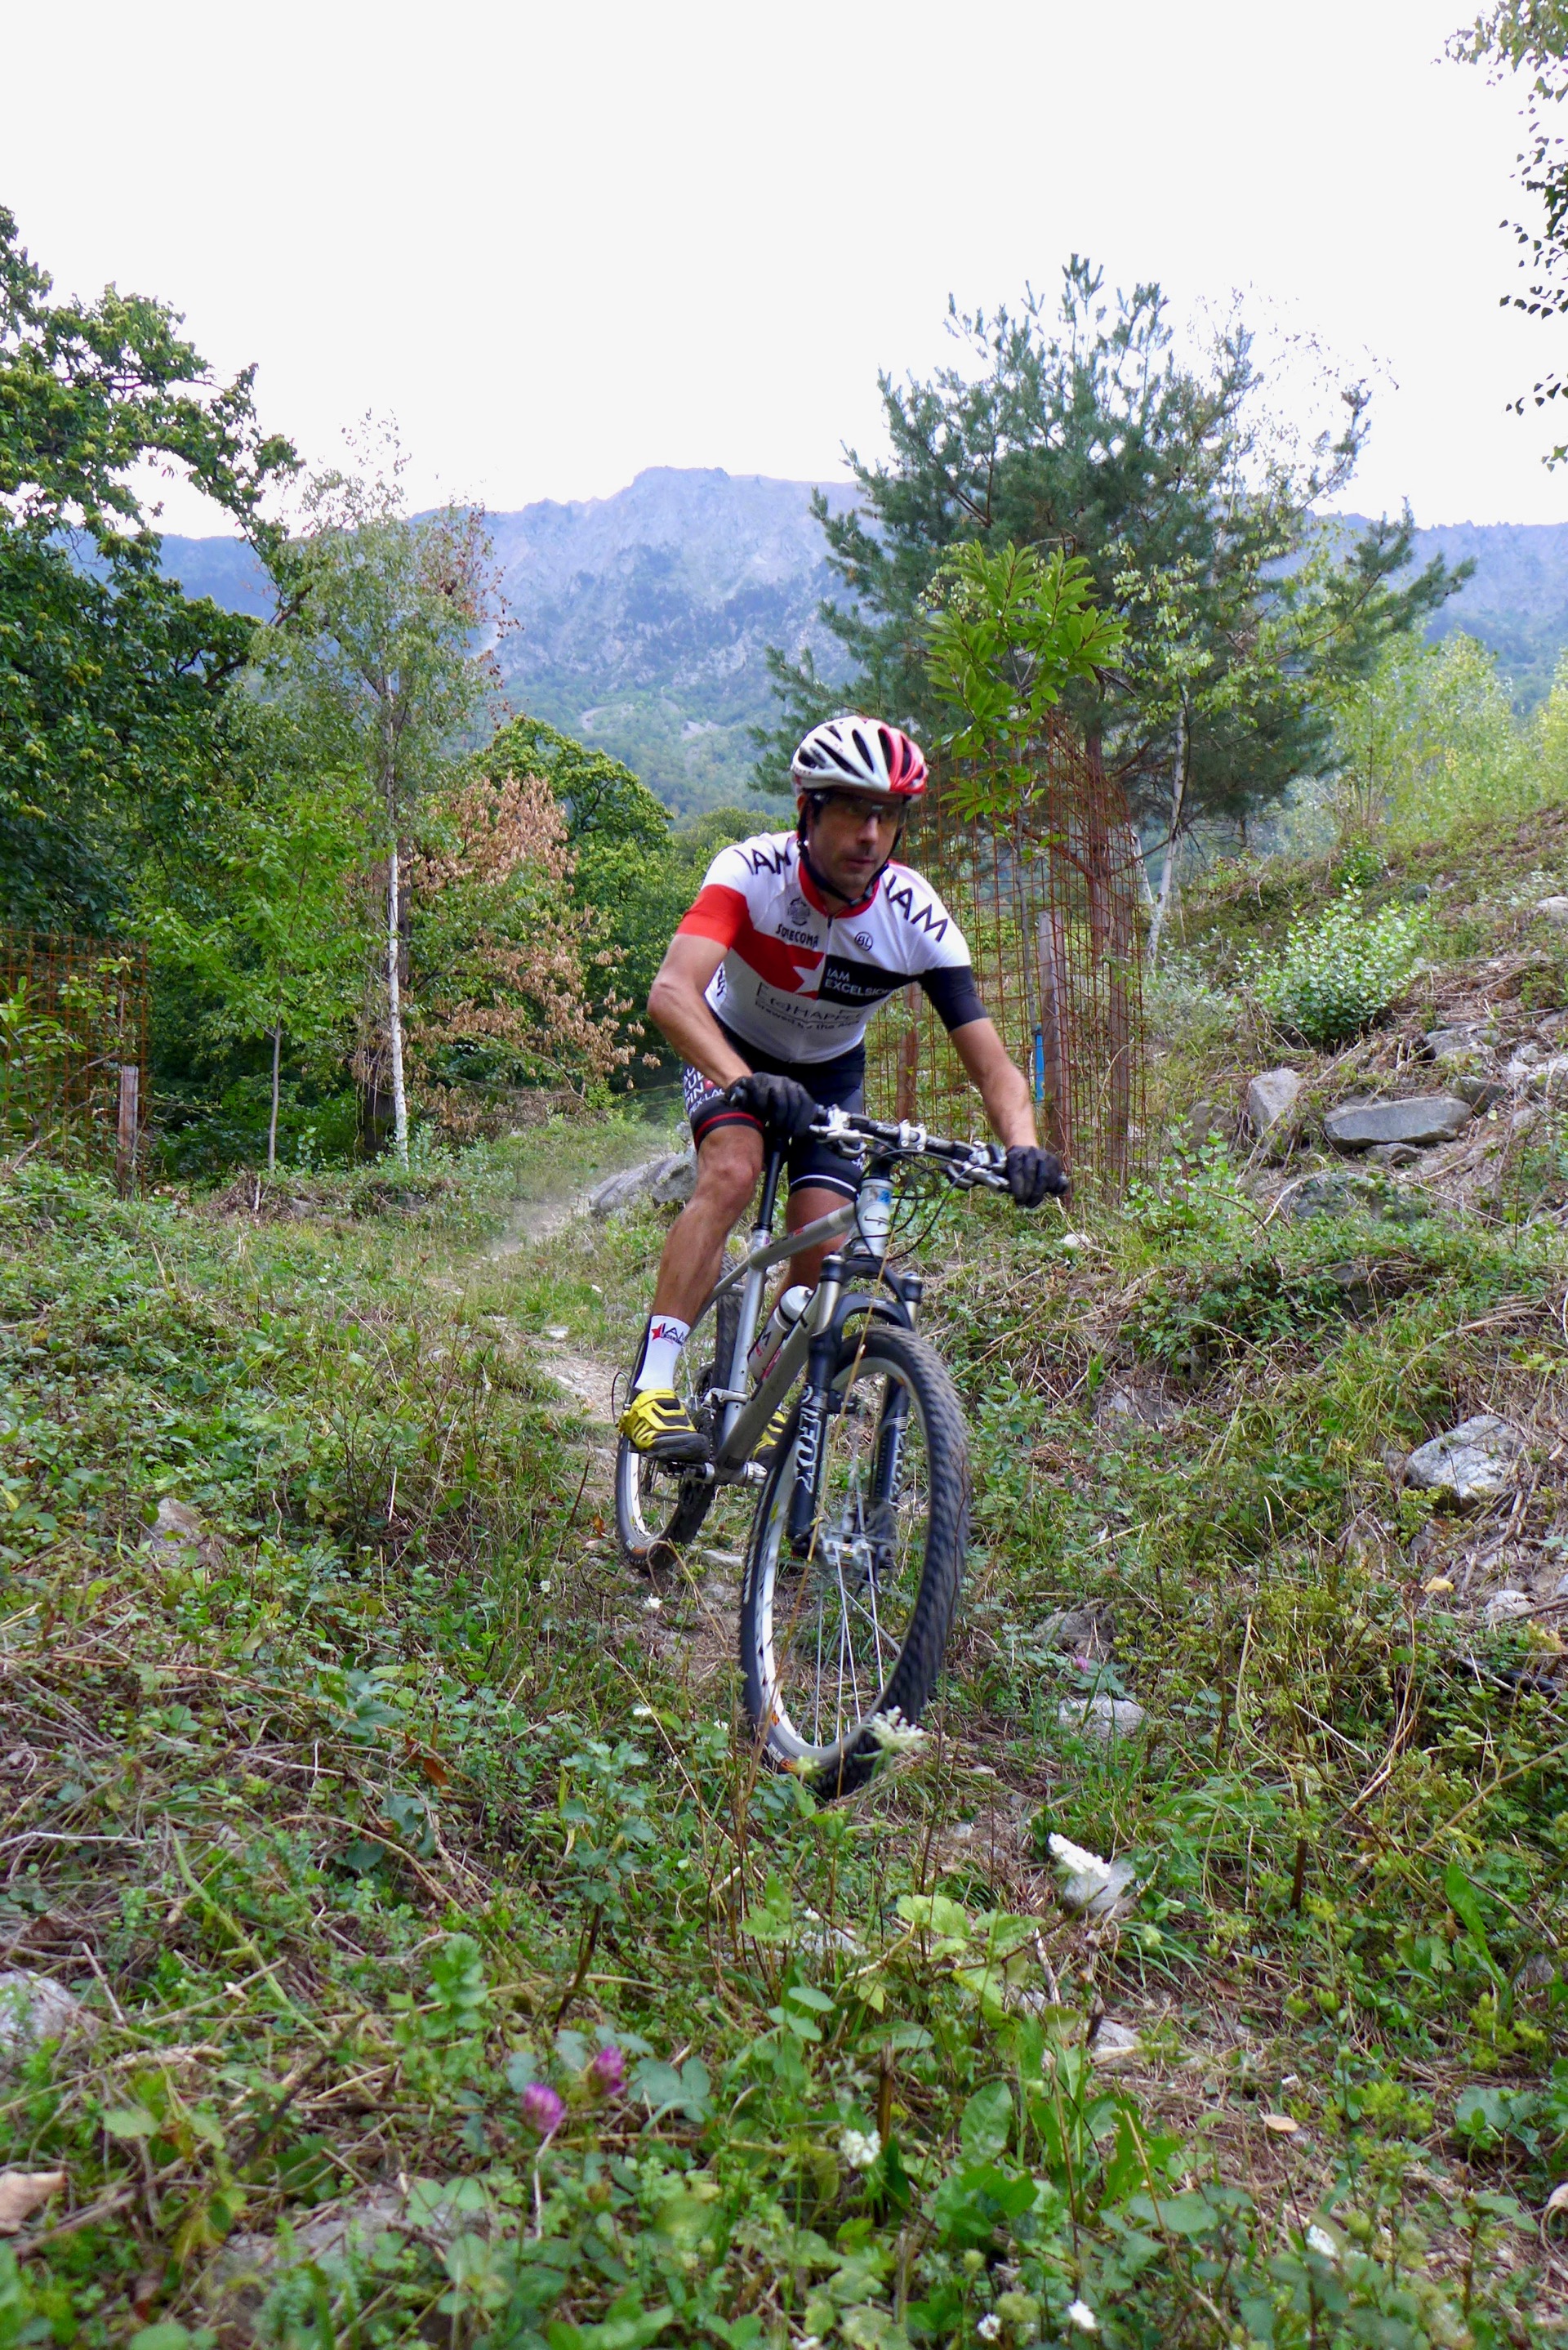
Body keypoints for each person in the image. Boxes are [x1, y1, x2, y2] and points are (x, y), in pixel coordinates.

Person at [620, 714, 1067, 1461]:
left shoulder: (913, 916)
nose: (870, 834)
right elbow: (672, 994)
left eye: (887, 816)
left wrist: (1022, 1147)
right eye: (854, 811)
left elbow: (994, 1067)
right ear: (808, 811)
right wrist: (744, 1081)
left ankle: (760, 1383)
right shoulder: (751, 872)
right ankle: (652, 1386)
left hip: (831, 1075)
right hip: (729, 1046)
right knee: (733, 1171)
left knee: (824, 1249)